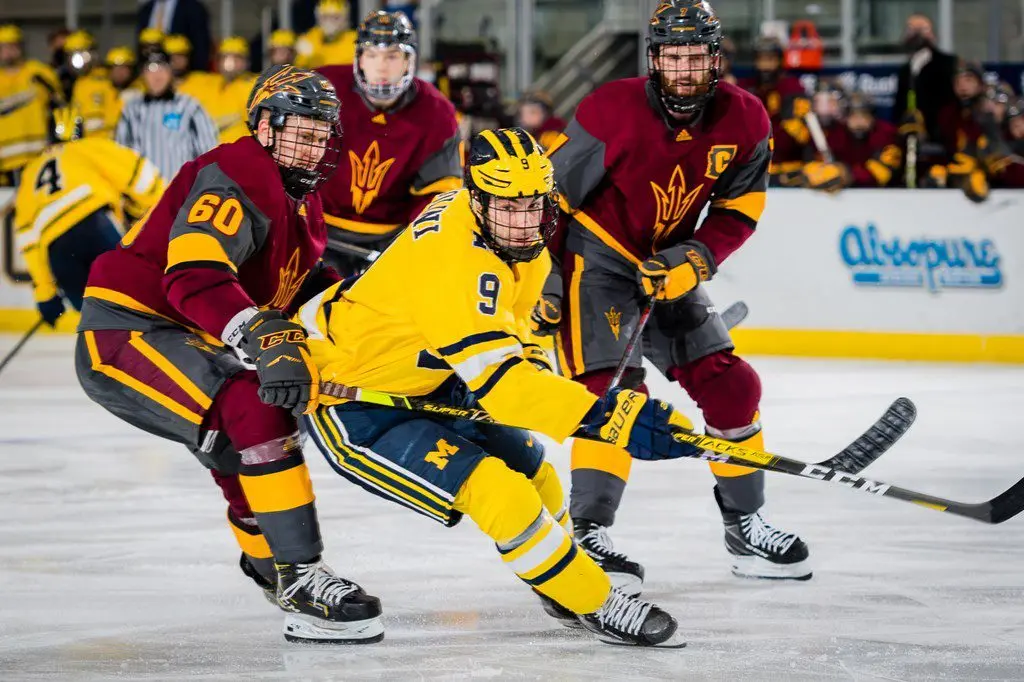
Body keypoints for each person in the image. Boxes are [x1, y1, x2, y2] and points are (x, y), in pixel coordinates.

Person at [297, 126, 696, 647]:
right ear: (476, 196)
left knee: (536, 470)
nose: (524, 220)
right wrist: (610, 416)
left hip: (433, 379)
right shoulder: (456, 260)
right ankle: (596, 601)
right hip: (353, 398)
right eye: (508, 205)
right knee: (498, 491)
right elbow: (504, 389)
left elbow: (519, 336)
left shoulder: (515, 242)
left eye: (533, 203)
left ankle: (561, 576)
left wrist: (551, 380)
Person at [75, 64, 383, 644]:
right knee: (254, 404)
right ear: (264, 127)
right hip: (130, 328)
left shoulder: (303, 203)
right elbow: (194, 274)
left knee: (238, 438)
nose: (314, 146)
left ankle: (271, 563)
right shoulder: (240, 170)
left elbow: (295, 284)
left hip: (186, 331)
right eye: (302, 131)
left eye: (323, 135)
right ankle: (300, 574)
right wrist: (264, 335)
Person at [537, 0, 810, 593]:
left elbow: (740, 210)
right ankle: (589, 531)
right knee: (612, 394)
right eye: (672, 56)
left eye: (695, 57)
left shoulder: (746, 118)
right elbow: (547, 200)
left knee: (733, 384)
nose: (684, 69)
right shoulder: (611, 108)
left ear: (715, 58)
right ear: (654, 58)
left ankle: (745, 521)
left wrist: (696, 259)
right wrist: (549, 281)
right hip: (599, 258)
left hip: (670, 261)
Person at [316, 10, 461, 276]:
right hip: (319, 229)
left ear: (408, 60)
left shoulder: (438, 112)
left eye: (392, 56)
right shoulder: (322, 89)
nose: (381, 66)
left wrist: (416, 244)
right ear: (359, 59)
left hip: (391, 242)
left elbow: (439, 197)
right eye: (372, 55)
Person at [13, 106, 164, 327]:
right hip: (96, 227)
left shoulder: (31, 172)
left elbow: (28, 240)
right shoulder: (89, 148)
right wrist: (146, 209)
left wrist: (45, 293)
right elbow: (144, 177)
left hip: (57, 250)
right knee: (133, 302)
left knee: (97, 324)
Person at [115, 51, 218, 181]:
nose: (157, 76)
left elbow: (209, 153)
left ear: (171, 73)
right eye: (151, 69)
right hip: (141, 195)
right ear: (142, 74)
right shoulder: (131, 110)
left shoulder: (189, 107)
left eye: (163, 68)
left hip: (181, 194)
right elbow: (120, 155)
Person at [797, 92, 903, 192]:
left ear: (873, 118)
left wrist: (846, 174)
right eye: (854, 116)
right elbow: (816, 163)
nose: (859, 122)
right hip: (840, 197)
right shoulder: (835, 134)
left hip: (882, 196)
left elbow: (882, 174)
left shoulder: (886, 134)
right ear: (845, 118)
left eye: (864, 116)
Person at [0, 24, 64, 185]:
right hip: (5, 163)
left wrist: (63, 143)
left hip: (39, 157)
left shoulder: (39, 73)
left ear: (21, 47)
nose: (9, 51)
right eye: (4, 47)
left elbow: (61, 107)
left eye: (13, 45)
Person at [893, 13, 957, 145]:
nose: (916, 34)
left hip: (940, 135)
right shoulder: (905, 69)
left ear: (932, 33)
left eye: (921, 29)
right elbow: (899, 104)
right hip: (910, 135)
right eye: (911, 29)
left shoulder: (947, 63)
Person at [206, 37, 258, 144]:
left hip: (242, 154)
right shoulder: (210, 84)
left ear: (246, 62)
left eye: (237, 58)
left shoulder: (254, 85)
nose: (230, 63)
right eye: (225, 57)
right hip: (214, 153)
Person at [66, 31, 118, 138]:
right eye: (71, 54)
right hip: (87, 146)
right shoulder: (77, 84)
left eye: (81, 53)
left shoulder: (107, 79)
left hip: (109, 143)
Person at [137, 0, 212, 72]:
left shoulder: (193, 7)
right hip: (151, 71)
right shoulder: (146, 9)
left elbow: (200, 45)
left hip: (184, 74)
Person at [296, 0, 359, 69]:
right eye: (324, 17)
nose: (329, 22)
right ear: (318, 19)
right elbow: (299, 72)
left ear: (346, 19)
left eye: (335, 17)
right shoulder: (309, 39)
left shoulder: (356, 40)